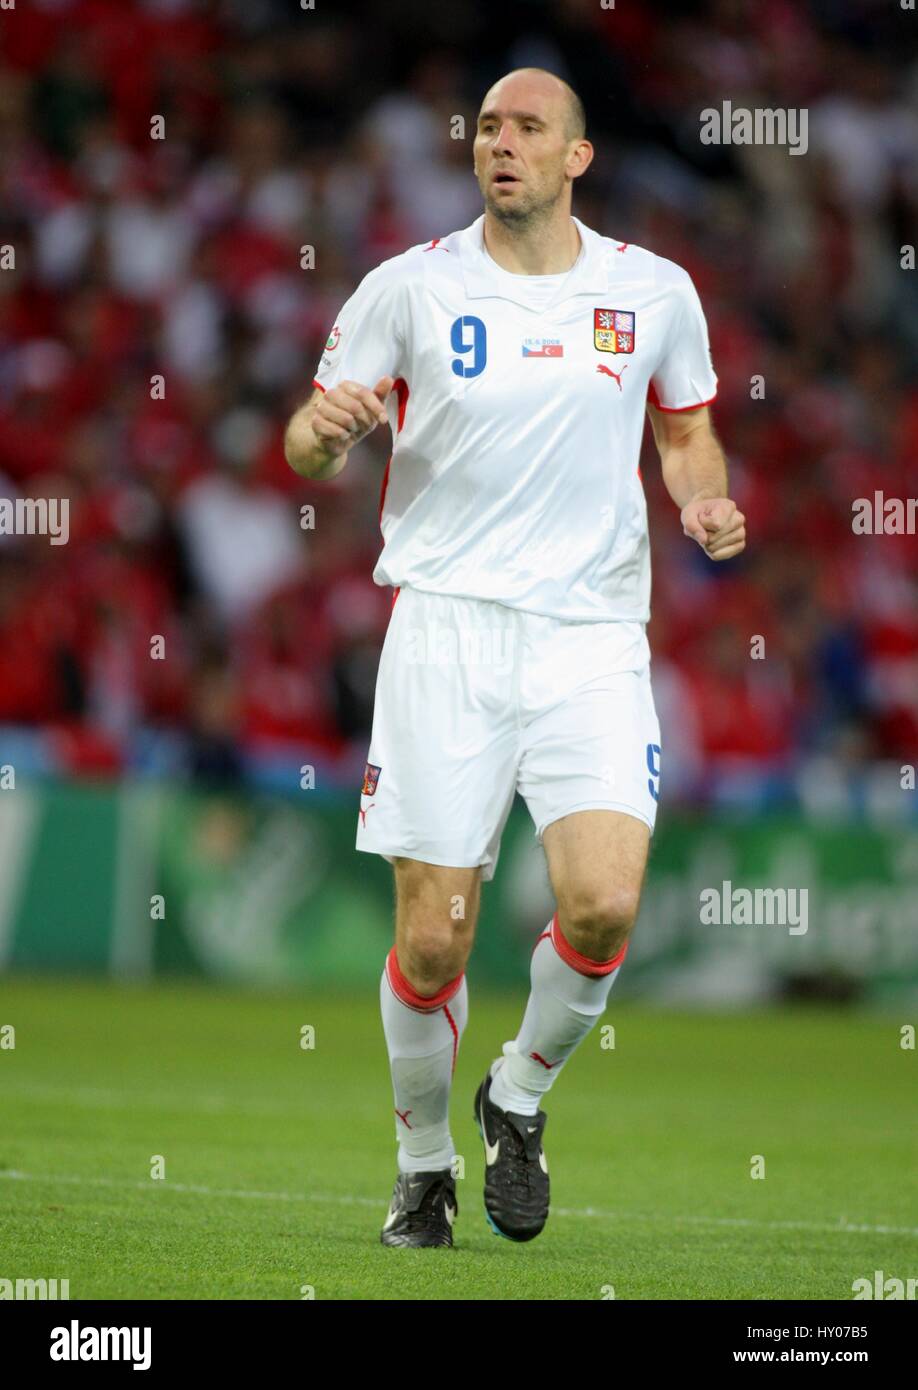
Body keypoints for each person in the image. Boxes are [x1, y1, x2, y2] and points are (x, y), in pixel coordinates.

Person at [284, 67, 746, 1249]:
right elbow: (306, 438)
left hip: (592, 636)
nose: (503, 143)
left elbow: (687, 435)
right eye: (489, 126)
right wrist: (323, 436)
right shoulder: (413, 287)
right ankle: (423, 1166)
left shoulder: (653, 292)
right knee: (434, 936)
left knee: (600, 908)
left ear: (577, 157)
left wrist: (704, 503)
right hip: (447, 630)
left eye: (529, 128)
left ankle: (518, 1095)